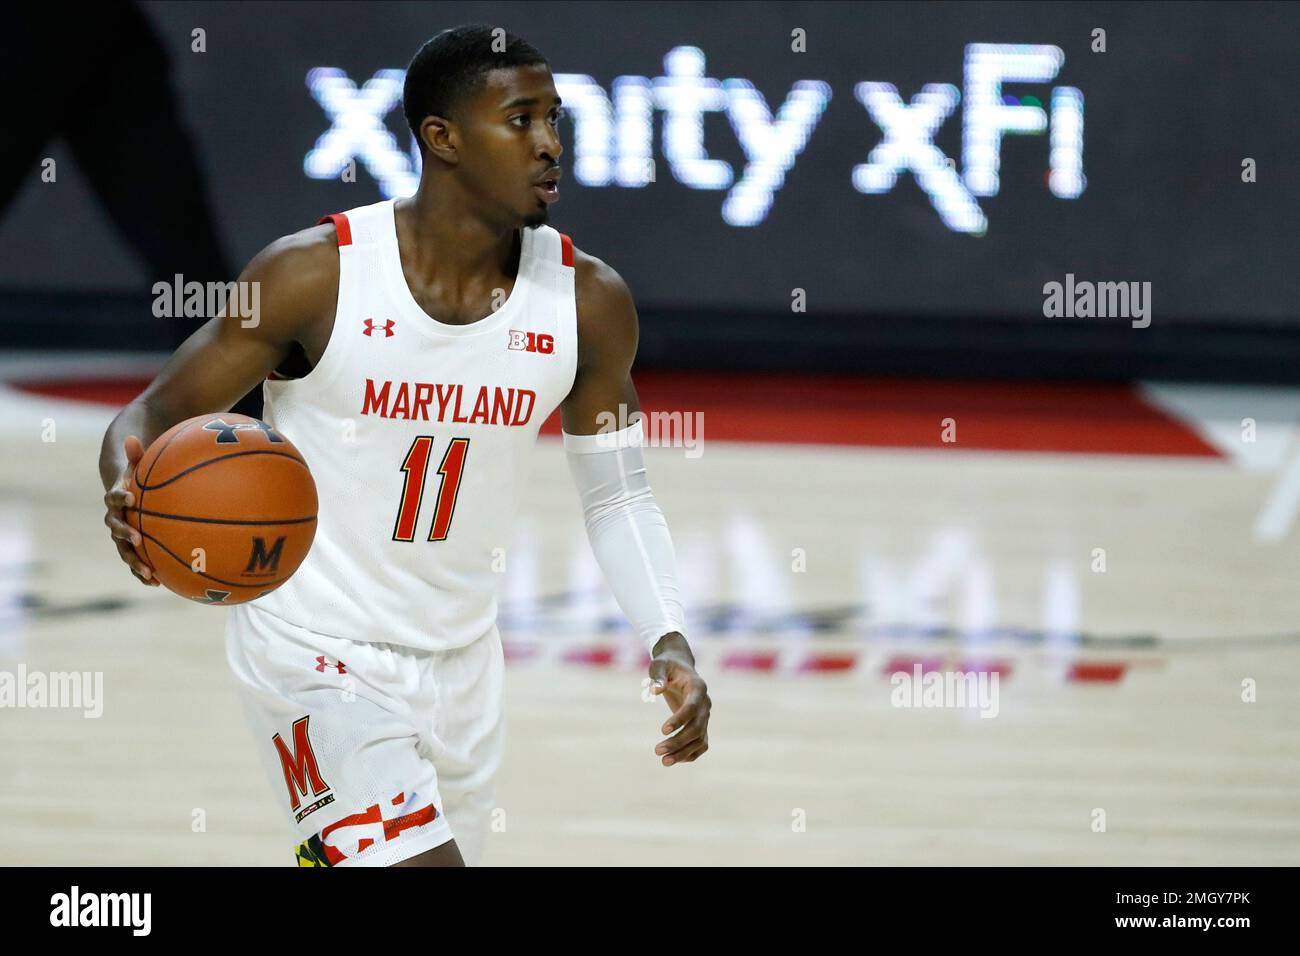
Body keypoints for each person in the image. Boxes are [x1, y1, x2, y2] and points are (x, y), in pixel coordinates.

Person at [99, 24, 710, 867]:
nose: (549, 146)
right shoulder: (315, 276)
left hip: (462, 664)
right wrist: (124, 488)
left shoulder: (586, 301)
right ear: (442, 138)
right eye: (521, 120)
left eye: (555, 121)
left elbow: (619, 495)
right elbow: (152, 414)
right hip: (311, 649)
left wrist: (668, 639)